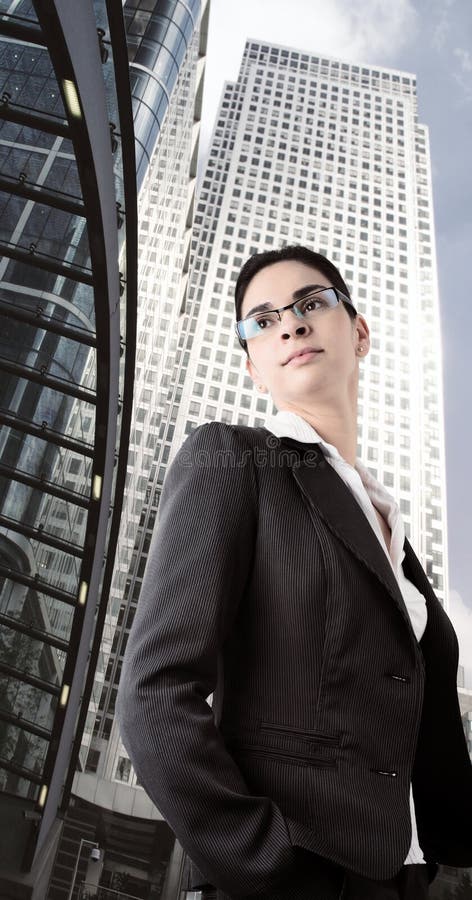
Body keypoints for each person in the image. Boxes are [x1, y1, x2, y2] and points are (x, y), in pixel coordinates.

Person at [117, 246, 472, 900]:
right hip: (292, 878)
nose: (291, 324)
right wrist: (270, 863)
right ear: (253, 366)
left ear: (358, 332)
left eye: (311, 303)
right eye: (263, 319)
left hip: (406, 880)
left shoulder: (390, 525)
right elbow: (154, 691)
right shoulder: (235, 462)